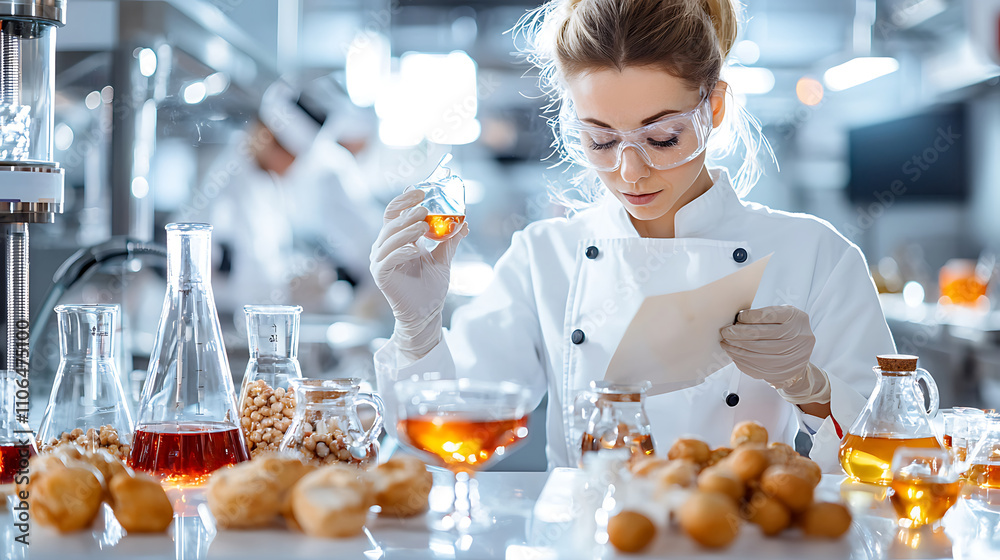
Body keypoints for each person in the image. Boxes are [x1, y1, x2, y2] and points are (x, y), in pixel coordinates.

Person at [370, 0, 895, 471]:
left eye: (663, 138)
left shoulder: (814, 254)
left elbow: (898, 456)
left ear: (713, 108)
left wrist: (812, 389)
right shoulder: (545, 256)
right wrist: (418, 329)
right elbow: (441, 446)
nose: (630, 172)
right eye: (599, 141)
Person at [180, 78, 380, 314]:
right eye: (293, 156)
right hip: (214, 320)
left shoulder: (265, 183)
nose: (295, 166)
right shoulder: (230, 181)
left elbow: (270, 259)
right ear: (270, 140)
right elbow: (239, 280)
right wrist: (290, 290)